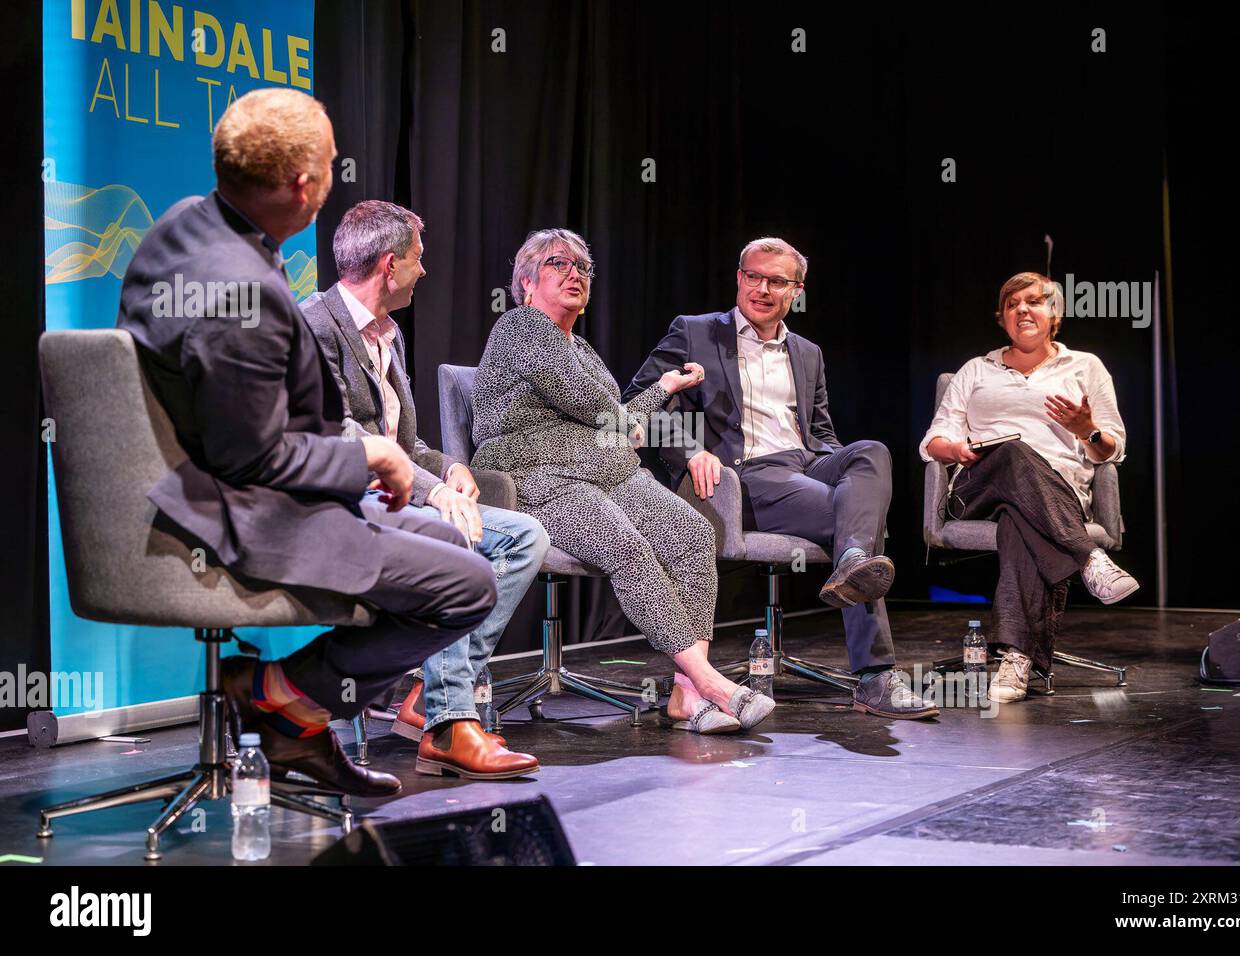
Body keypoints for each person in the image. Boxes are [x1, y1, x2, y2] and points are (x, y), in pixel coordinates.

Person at [117, 88, 497, 796]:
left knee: (449, 542)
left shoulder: (181, 225)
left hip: (201, 487)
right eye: (328, 164)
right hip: (236, 511)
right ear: (305, 185)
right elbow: (252, 458)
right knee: (471, 585)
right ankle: (275, 696)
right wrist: (371, 455)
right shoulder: (241, 290)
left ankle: (295, 713)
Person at [471, 228, 774, 734]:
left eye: (583, 268)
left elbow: (616, 417)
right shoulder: (520, 326)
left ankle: (683, 695)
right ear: (526, 281)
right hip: (544, 476)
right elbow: (593, 406)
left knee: (692, 534)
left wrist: (664, 388)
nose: (576, 274)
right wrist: (625, 422)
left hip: (609, 471)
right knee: (627, 546)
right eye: (559, 264)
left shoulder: (582, 348)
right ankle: (710, 682)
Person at [626, 237, 937, 720]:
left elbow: (820, 430)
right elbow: (637, 405)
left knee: (870, 454)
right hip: (743, 474)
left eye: (777, 281)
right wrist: (690, 452)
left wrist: (846, 478)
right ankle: (875, 676)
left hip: (805, 461)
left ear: (797, 289)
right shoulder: (695, 332)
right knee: (851, 518)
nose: (762, 288)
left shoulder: (807, 352)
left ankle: (853, 557)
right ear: (738, 278)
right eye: (753, 276)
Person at [302, 200, 546, 779]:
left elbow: (405, 446)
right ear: (390, 265)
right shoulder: (314, 324)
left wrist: (452, 469)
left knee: (524, 537)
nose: (425, 271)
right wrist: (435, 494)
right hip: (339, 502)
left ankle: (427, 692)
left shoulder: (390, 335)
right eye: (418, 259)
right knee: (451, 532)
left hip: (396, 492)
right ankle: (449, 721)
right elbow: (336, 433)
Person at [920, 271, 1140, 703]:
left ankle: (1016, 660)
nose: (1024, 309)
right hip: (977, 488)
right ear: (1001, 317)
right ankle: (1085, 556)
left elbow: (1112, 450)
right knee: (1012, 451)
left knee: (1020, 519)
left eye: (1035, 301)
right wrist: (958, 449)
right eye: (1013, 303)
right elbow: (932, 442)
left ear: (1053, 314)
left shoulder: (1085, 366)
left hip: (1056, 494)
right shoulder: (975, 370)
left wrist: (1087, 429)